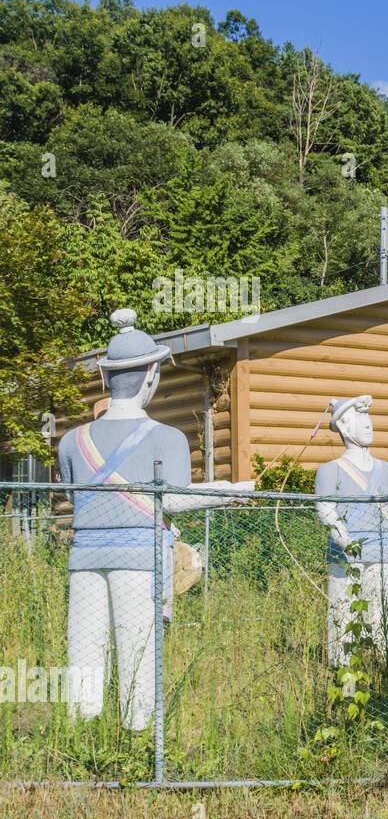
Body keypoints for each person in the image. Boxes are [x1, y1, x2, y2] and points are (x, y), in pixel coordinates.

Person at [59, 308, 251, 729]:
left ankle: (80, 733)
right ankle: (139, 736)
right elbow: (174, 503)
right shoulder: (168, 438)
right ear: (151, 375)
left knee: (85, 652)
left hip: (84, 557)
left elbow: (77, 498)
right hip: (140, 557)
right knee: (138, 651)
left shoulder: (71, 441)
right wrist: (229, 494)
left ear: (108, 378)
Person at [314, 395, 388, 665]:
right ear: (345, 426)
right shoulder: (329, 470)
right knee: (343, 612)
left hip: (380, 553)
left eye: (369, 418)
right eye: (361, 419)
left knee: (381, 610)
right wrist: (345, 541)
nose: (369, 424)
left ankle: (381, 663)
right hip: (344, 556)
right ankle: (341, 667)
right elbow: (326, 511)